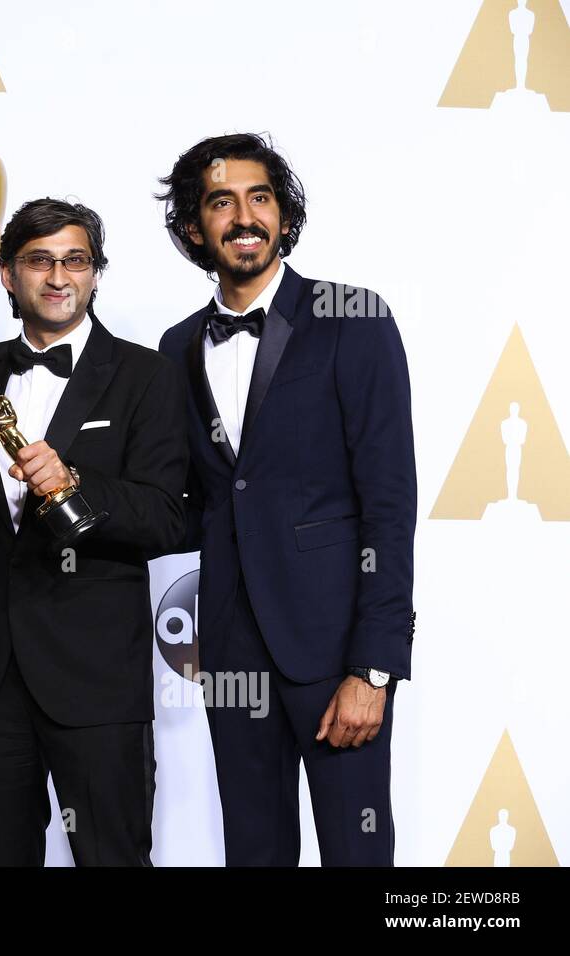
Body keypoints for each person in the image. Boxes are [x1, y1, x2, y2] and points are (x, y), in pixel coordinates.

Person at [155, 133, 416, 865]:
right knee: (254, 852)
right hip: (231, 653)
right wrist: (76, 503)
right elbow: (190, 503)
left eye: (260, 198)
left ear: (284, 217)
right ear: (192, 228)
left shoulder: (353, 318)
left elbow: (389, 504)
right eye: (221, 202)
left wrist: (375, 667)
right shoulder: (176, 348)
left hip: (337, 656)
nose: (244, 216)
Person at [0, 198, 187, 866]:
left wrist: (77, 486)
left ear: (96, 275)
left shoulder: (148, 376)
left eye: (75, 261)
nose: (58, 276)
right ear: (7, 276)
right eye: (39, 261)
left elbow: (168, 514)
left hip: (97, 677)